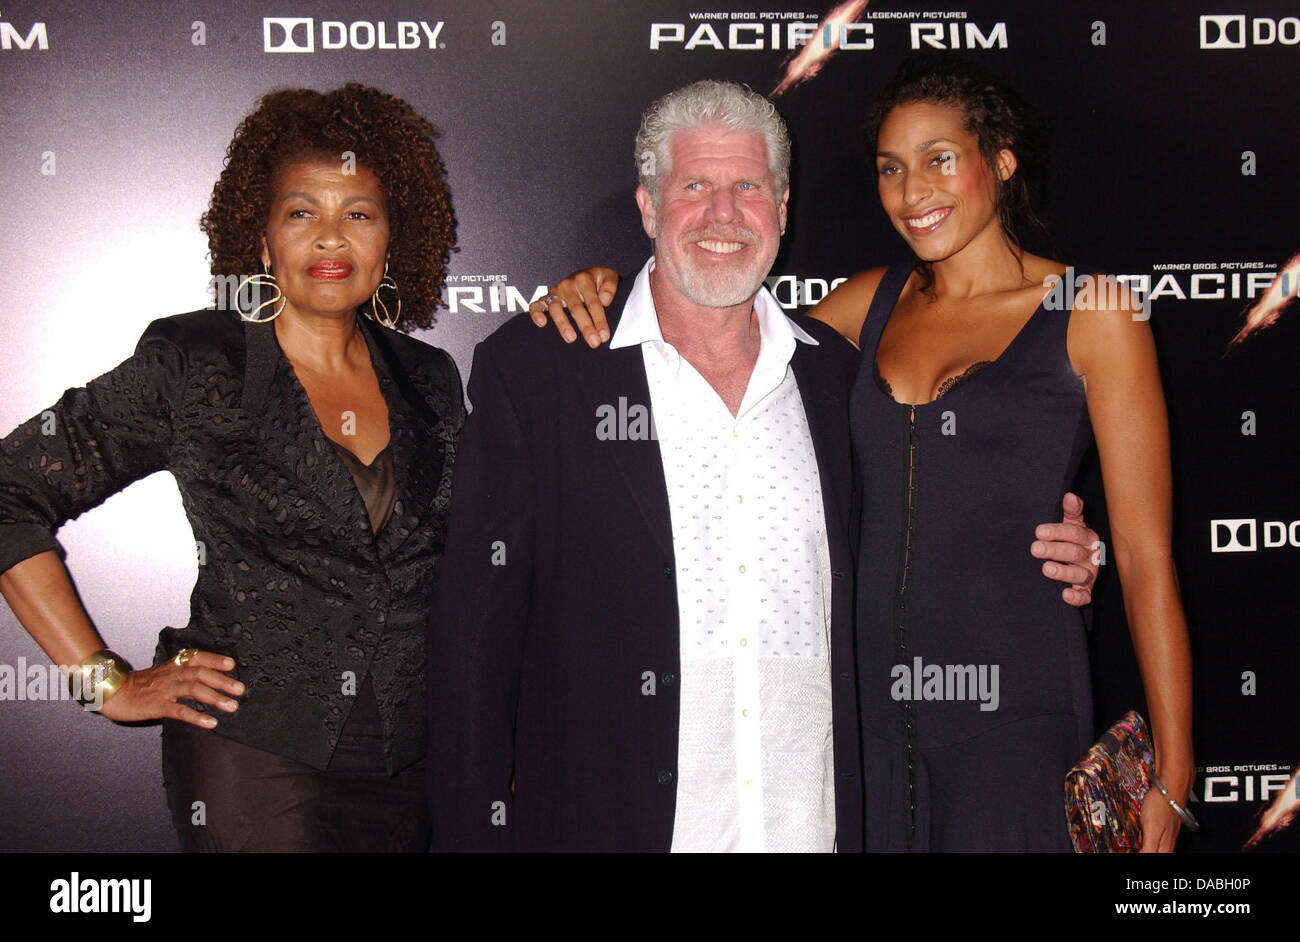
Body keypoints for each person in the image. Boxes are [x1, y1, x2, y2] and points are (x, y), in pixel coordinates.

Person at [539, 57, 1194, 853]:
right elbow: (714, 326)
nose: (914, 191)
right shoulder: (862, 305)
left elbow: (1144, 555)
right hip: (861, 733)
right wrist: (602, 288)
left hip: (1016, 725)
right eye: (892, 168)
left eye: (939, 159)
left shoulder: (1092, 311)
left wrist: (1173, 774)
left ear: (1002, 160)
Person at [0, 83, 463, 852]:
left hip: (411, 760)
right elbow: (10, 489)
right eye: (300, 212)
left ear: (392, 240)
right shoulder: (196, 363)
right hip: (253, 752)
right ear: (260, 237)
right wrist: (103, 682)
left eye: (359, 213)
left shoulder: (430, 378)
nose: (329, 238)